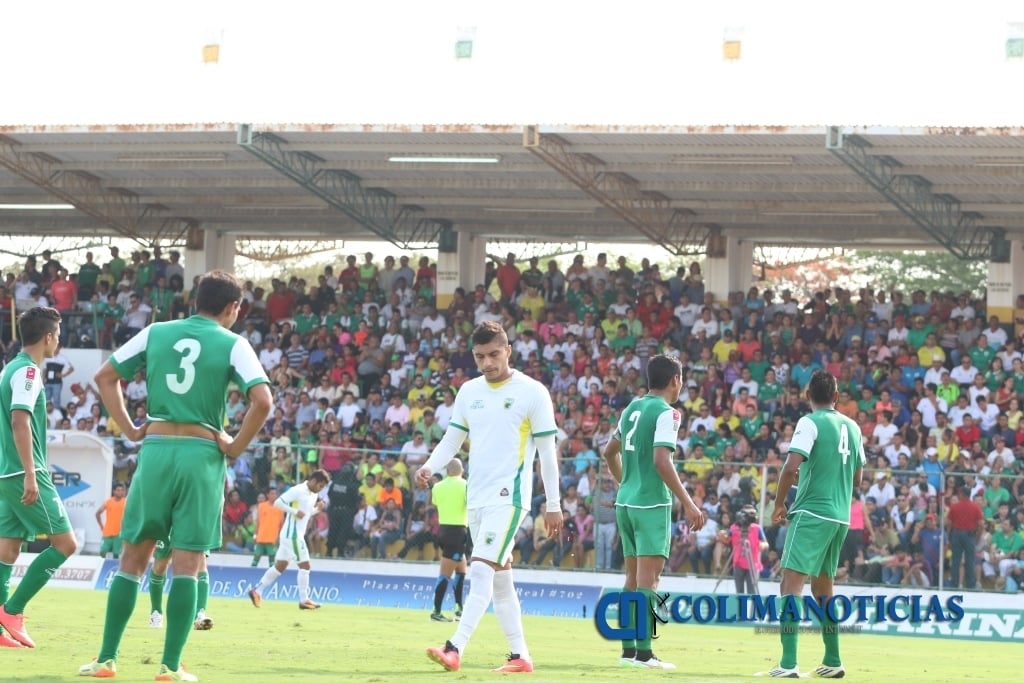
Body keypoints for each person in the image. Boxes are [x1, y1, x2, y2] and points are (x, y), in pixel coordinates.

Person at [79, 270, 272, 681]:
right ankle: (169, 667)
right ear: (233, 307)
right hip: (201, 455)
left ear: (195, 300)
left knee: (132, 558)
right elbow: (263, 400)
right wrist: (235, 446)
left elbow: (104, 377)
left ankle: (106, 660)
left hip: (156, 451)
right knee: (187, 563)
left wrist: (131, 429)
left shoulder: (156, 332)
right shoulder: (234, 343)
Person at [417, 320, 563, 674]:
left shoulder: (533, 392)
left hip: (509, 498)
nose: (487, 363)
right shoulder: (469, 391)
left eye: (494, 354)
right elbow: (452, 440)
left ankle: (454, 647)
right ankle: (520, 656)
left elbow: (547, 452)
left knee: (481, 569)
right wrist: (430, 466)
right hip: (477, 500)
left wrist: (554, 504)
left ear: (508, 350)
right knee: (500, 580)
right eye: (480, 356)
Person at [602, 354, 706, 670]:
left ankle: (628, 651)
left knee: (631, 580)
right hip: (651, 505)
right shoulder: (668, 413)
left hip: (626, 503)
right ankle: (645, 654)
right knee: (650, 580)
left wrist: (626, 483)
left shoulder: (631, 408)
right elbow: (662, 460)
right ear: (675, 380)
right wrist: (688, 502)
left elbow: (609, 452)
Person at [766, 370, 865, 679]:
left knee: (790, 585)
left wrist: (779, 503)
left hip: (812, 512)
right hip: (840, 517)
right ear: (836, 397)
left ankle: (788, 663)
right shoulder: (853, 427)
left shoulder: (809, 422)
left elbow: (790, 467)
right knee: (823, 588)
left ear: (807, 396)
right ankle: (833, 659)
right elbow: (858, 479)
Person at [0, 307, 80, 649]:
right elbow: (20, 421)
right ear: (48, 337)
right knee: (66, 544)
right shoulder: (28, 372)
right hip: (23, 473)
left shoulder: (10, 368)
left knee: (7, 549)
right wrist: (32, 474)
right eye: (58, 336)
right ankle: (12, 611)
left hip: (7, 472)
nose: (58, 342)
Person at [247, 469, 331, 610]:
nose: (320, 489)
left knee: (279, 566)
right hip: (293, 535)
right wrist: (294, 511)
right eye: (320, 485)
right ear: (313, 481)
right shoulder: (298, 490)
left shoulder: (313, 495)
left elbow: (305, 514)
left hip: (291, 535)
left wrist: (317, 509)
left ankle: (257, 591)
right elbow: (278, 503)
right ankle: (304, 600)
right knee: (305, 566)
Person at [429, 458, 469, 622]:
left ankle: (459, 608)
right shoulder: (466, 485)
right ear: (462, 471)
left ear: (447, 471)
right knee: (445, 574)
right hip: (457, 532)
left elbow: (436, 503)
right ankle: (436, 612)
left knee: (461, 569)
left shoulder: (437, 486)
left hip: (443, 530)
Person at [147, 541, 215, 631]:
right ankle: (156, 612)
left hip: (194, 531)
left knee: (200, 561)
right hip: (168, 532)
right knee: (160, 566)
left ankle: (199, 615)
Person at [252, 487, 285, 567]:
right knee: (256, 557)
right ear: (268, 495)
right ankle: (251, 572)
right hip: (261, 537)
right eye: (272, 494)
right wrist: (255, 535)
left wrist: (280, 537)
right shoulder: (261, 506)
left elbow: (282, 524)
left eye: (275, 494)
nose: (274, 495)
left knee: (272, 559)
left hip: (272, 538)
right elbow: (258, 522)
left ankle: (272, 574)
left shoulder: (280, 508)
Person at [96, 483, 127, 559]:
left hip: (119, 534)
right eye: (118, 490)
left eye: (122, 490)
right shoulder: (108, 502)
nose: (120, 492)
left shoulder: (126, 502)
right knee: (102, 552)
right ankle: (101, 565)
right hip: (107, 533)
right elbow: (97, 513)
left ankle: (115, 567)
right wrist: (101, 526)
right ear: (114, 491)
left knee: (116, 555)